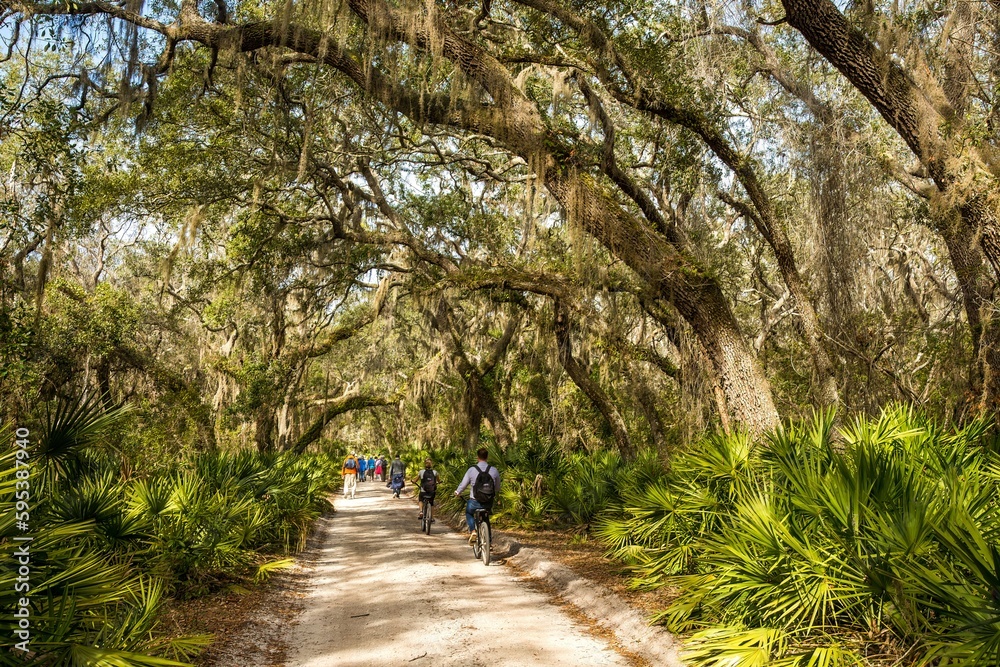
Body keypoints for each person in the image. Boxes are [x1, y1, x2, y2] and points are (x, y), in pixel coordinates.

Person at [454, 447, 500, 544]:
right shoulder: (494, 470)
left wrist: (458, 492)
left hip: (474, 501)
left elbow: (463, 484)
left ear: (477, 457)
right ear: (487, 457)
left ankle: (473, 531)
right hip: (488, 501)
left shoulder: (471, 470)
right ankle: (489, 543)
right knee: (486, 518)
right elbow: (497, 488)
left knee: (469, 513)